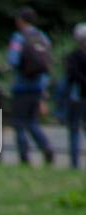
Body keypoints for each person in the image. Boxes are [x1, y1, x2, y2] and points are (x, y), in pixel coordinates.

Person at [7, 6, 54, 164]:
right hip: (38, 87)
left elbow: (13, 60)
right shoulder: (43, 38)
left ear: (21, 20)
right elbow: (47, 65)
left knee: (19, 123)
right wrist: (44, 90)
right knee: (32, 122)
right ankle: (46, 147)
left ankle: (24, 157)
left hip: (21, 87)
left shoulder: (18, 38)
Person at [64, 22, 86, 168]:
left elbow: (71, 76)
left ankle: (74, 163)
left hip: (77, 96)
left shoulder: (73, 57)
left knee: (74, 130)